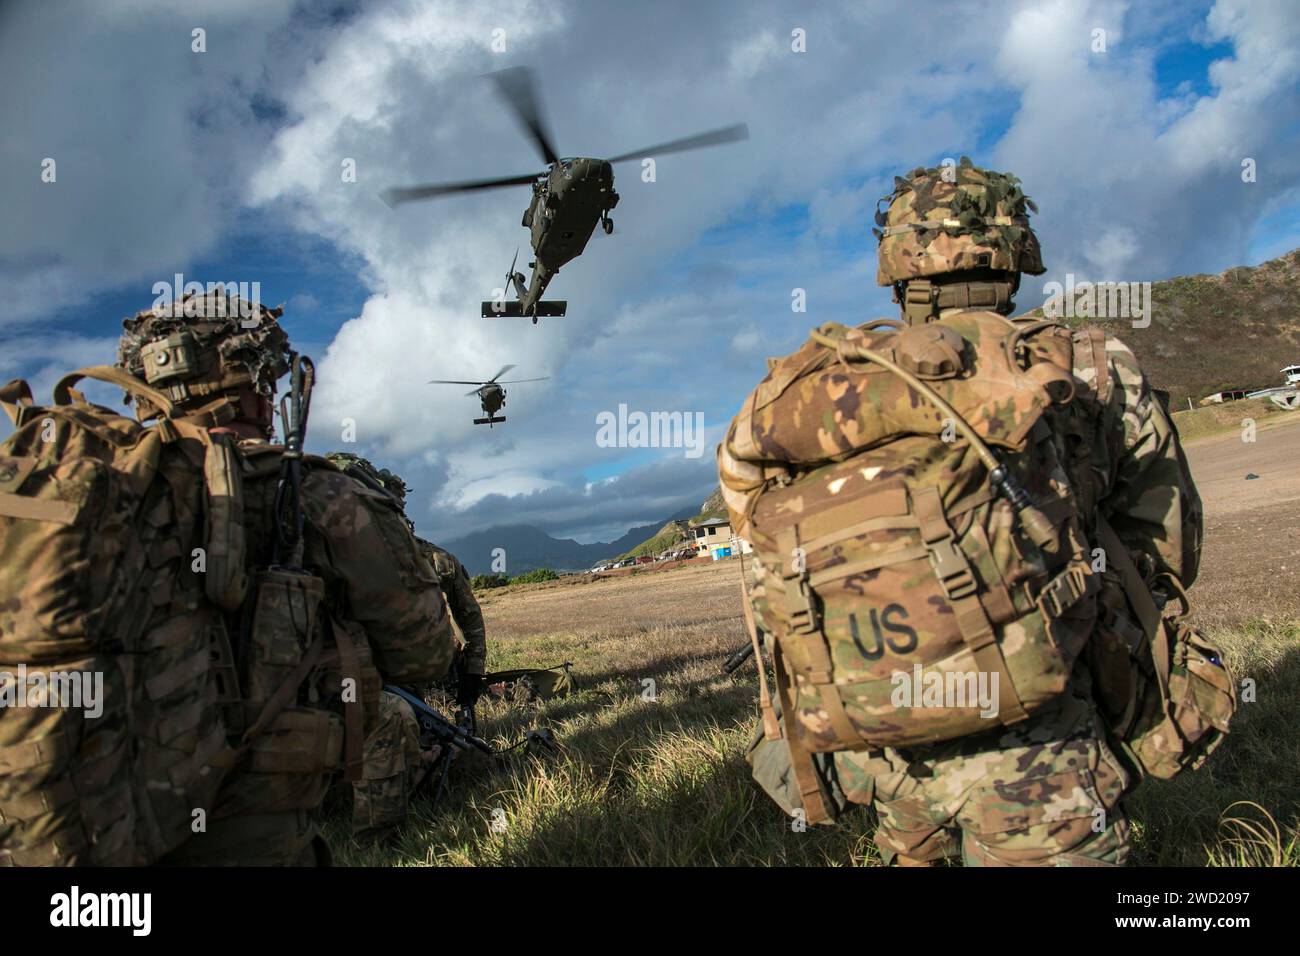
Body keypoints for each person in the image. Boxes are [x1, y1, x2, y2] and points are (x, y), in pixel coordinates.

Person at [718, 158, 1206, 866]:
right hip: (1044, 745)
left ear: (895, 263)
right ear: (1012, 255)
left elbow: (751, 525)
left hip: (887, 750)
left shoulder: (828, 382)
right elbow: (1166, 536)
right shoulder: (1087, 364)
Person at [0, 291, 454, 865]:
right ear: (259, 387)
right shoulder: (317, 495)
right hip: (246, 835)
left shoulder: (57, 491)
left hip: (68, 833)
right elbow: (425, 655)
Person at [324, 452, 489, 842]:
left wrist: (473, 672)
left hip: (408, 674)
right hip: (353, 674)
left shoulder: (433, 559)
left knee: (407, 728)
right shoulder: (324, 553)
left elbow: (470, 617)